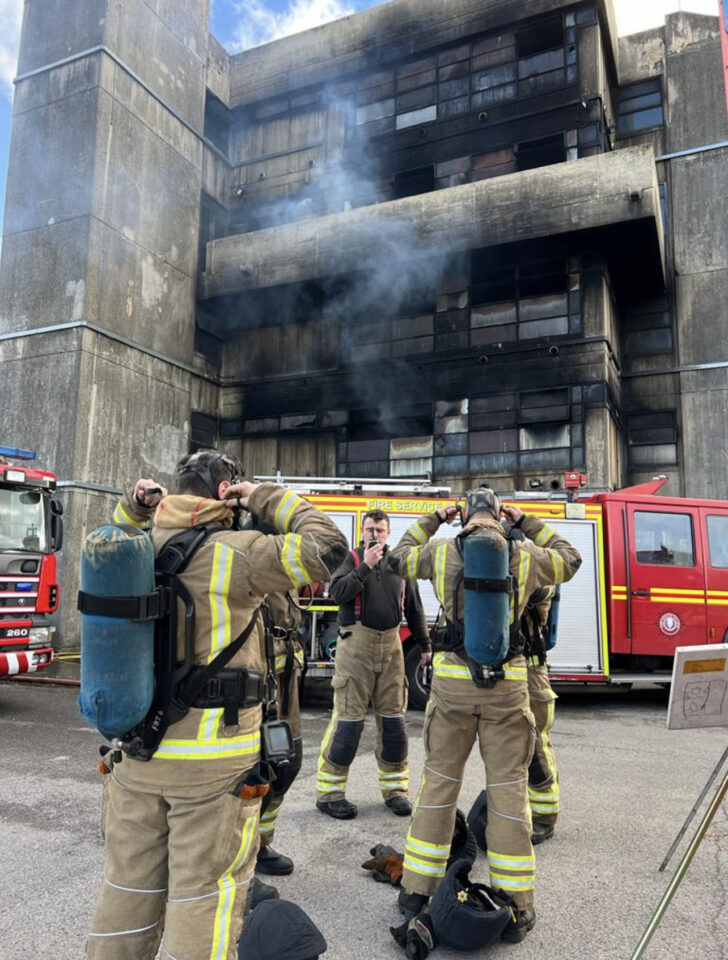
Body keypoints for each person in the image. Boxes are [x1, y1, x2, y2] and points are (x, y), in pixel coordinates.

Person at [87, 450, 348, 960]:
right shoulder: (237, 552)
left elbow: (113, 536)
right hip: (212, 768)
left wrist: (135, 507)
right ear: (226, 492)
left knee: (126, 893)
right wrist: (265, 496)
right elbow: (329, 547)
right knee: (204, 898)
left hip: (135, 754)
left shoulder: (138, 545)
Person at [390, 488, 581, 943]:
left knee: (438, 784)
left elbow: (397, 558)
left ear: (465, 518)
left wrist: (435, 517)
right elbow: (570, 559)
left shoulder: (440, 552)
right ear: (499, 515)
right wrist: (528, 520)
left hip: (453, 685)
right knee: (508, 791)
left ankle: (416, 890)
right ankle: (516, 903)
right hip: (509, 687)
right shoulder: (526, 555)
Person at [315, 509, 430, 820]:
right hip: (356, 646)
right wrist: (365, 567)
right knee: (348, 723)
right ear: (362, 532)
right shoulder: (351, 559)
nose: (374, 534)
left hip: (391, 645)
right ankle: (330, 794)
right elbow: (338, 593)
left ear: (388, 533)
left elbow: (415, 607)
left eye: (380, 530)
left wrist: (424, 645)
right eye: (369, 529)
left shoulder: (399, 563)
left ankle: (395, 791)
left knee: (394, 724)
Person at [256, 586, 304, 877]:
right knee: (255, 770)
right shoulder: (253, 550)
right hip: (257, 674)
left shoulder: (282, 553)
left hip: (285, 674)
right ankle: (242, 855)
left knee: (288, 763)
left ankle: (259, 844)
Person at [521, 586, 560, 844]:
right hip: (507, 672)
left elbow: (534, 592)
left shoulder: (540, 570)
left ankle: (545, 817)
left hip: (532, 673)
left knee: (535, 747)